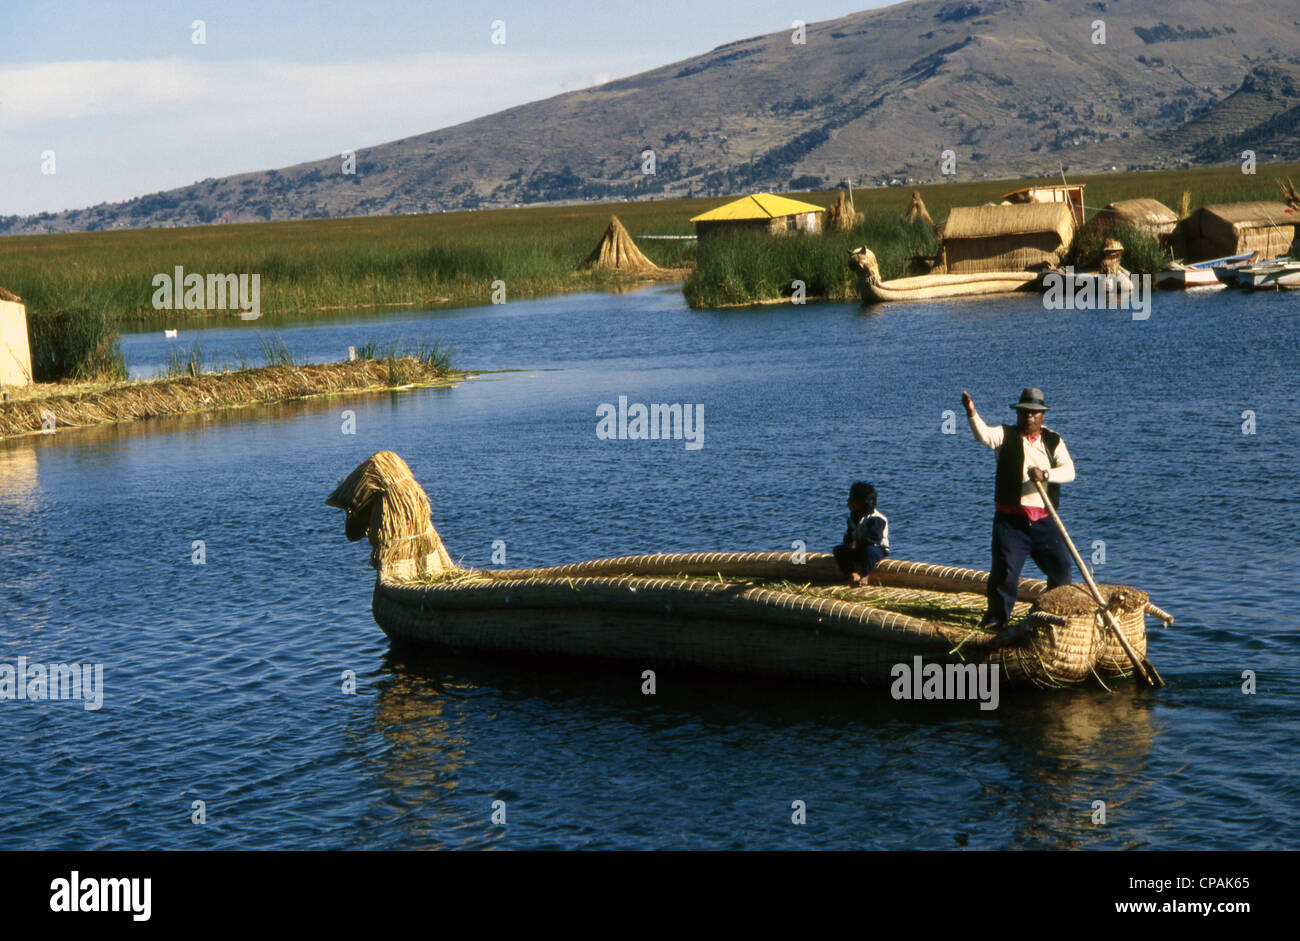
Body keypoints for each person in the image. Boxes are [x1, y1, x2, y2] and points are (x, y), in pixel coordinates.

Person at [961, 387, 1074, 630]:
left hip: (1044, 521)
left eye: (1034, 413)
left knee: (1062, 569)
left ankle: (1051, 614)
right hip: (1011, 522)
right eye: (1024, 412)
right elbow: (983, 435)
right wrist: (971, 412)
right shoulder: (1005, 435)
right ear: (1018, 414)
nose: (1029, 417)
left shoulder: (1053, 440)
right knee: (1006, 574)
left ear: (1042, 416)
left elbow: (1069, 472)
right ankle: (997, 619)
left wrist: (1045, 474)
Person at [833, 481, 889, 586]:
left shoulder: (876, 519)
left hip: (876, 548)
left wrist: (858, 544)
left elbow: (875, 538)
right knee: (838, 550)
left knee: (869, 551)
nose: (848, 502)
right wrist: (848, 542)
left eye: (851, 500)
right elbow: (850, 533)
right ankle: (852, 573)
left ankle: (865, 575)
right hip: (858, 549)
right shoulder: (852, 518)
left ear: (860, 504)